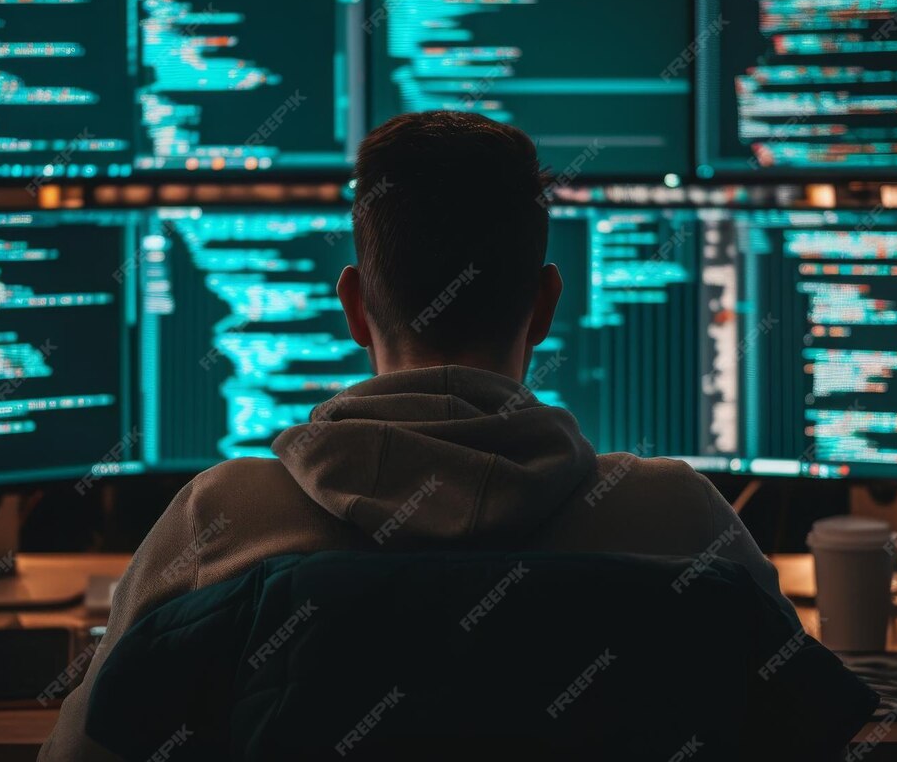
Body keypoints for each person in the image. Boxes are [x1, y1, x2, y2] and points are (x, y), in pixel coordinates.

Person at [40, 111, 797, 760]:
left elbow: (76, 753)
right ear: (544, 307)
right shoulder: (683, 523)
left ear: (355, 308)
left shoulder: (221, 519)